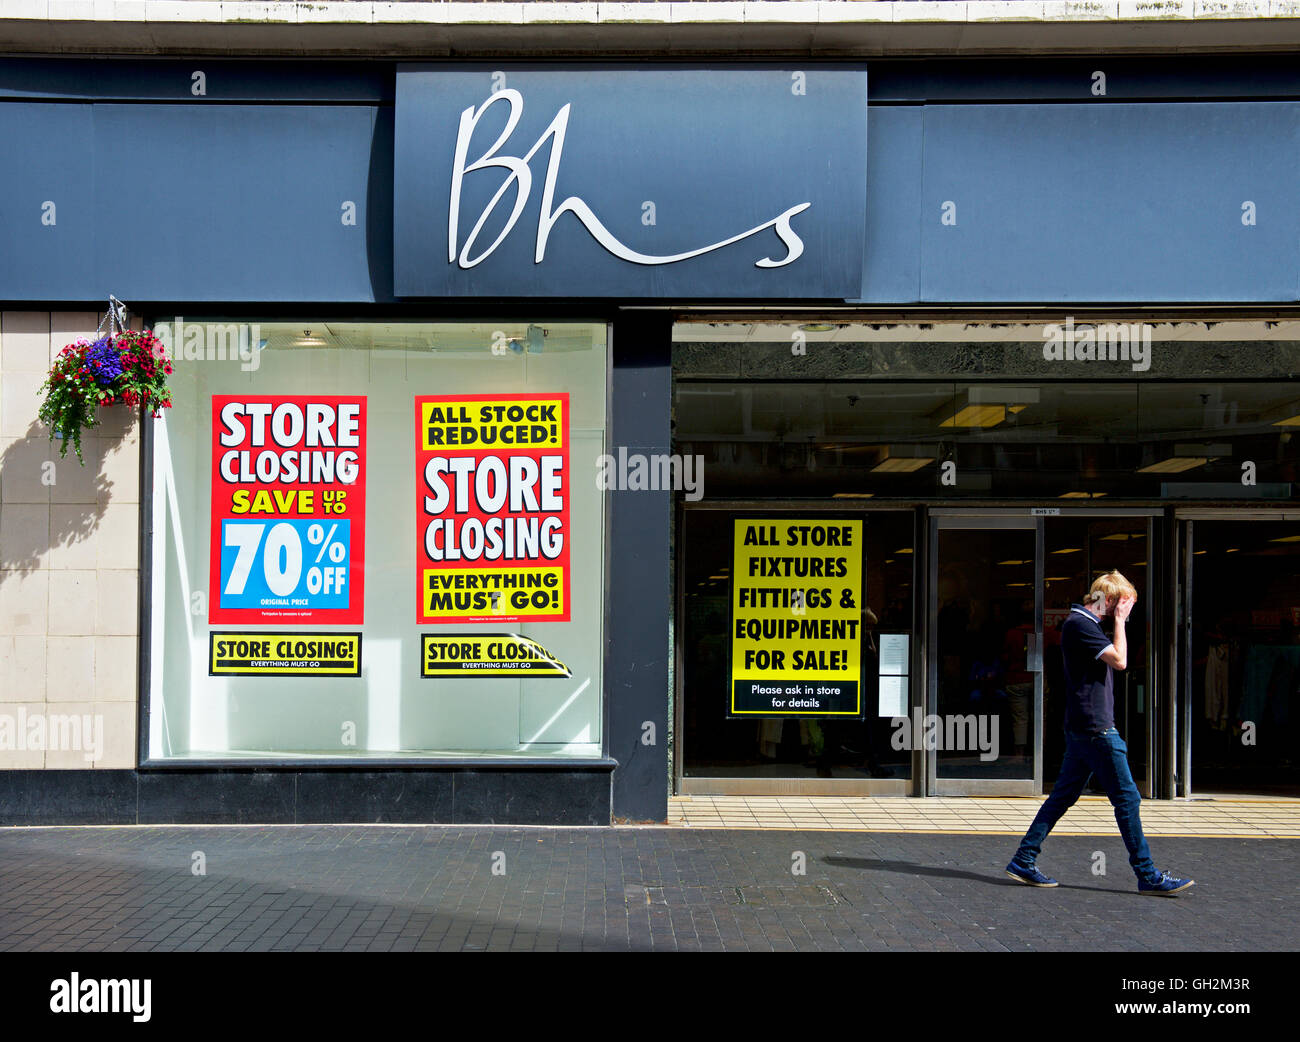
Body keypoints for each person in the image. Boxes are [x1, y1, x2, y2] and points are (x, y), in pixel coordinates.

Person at [1005, 572, 1195, 895]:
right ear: (1109, 601)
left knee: (1063, 797)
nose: (1127, 613)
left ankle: (1024, 858)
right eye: (1124, 605)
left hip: (1084, 728)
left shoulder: (1081, 625)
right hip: (1097, 729)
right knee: (1128, 798)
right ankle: (1147, 874)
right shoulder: (1081, 624)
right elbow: (1120, 661)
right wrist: (1120, 622)